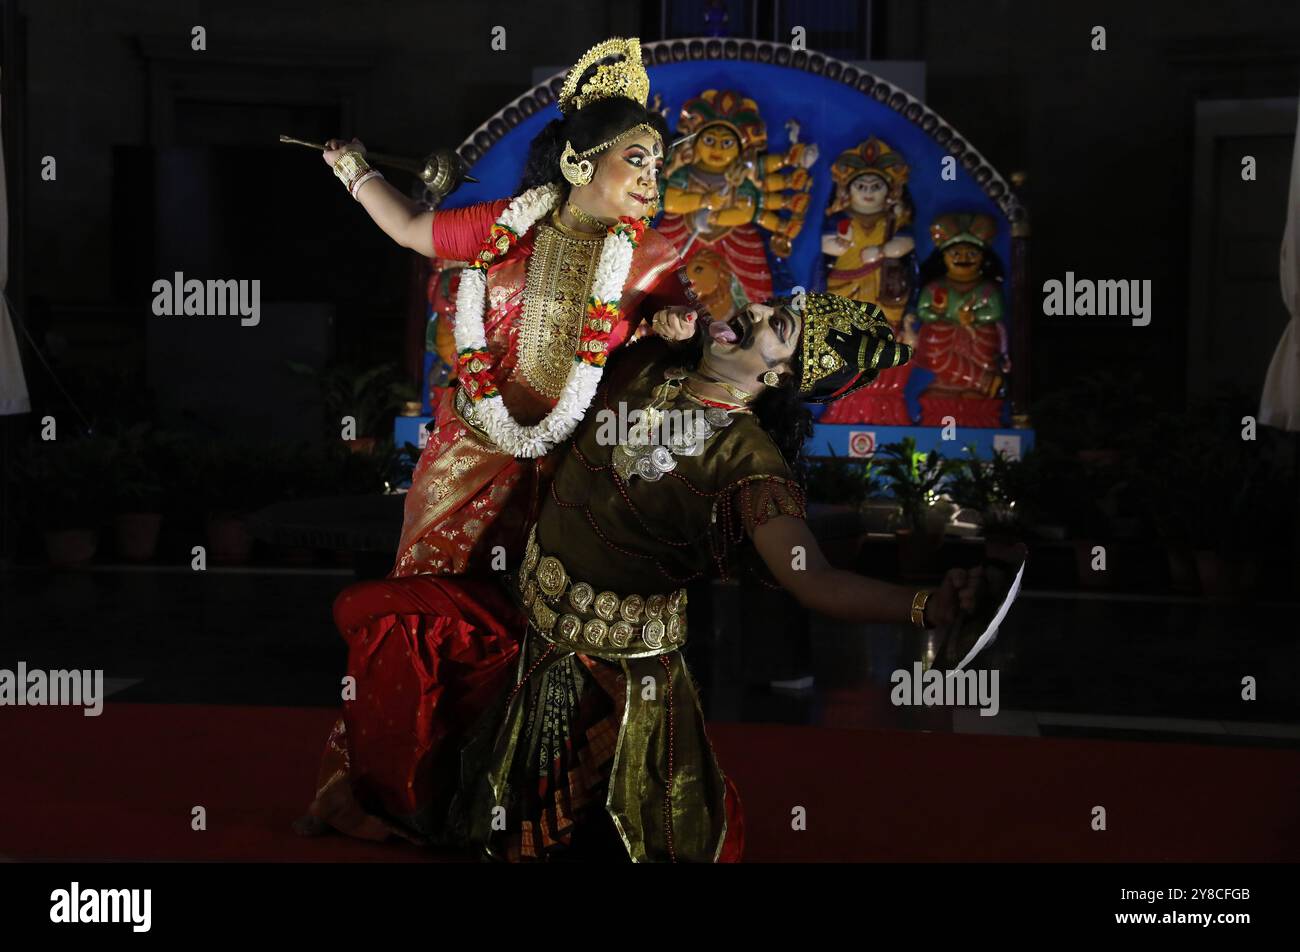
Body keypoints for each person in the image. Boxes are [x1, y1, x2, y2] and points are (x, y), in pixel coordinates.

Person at [297, 291, 987, 860]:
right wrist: (657, 307)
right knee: (393, 633)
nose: (756, 312)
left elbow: (814, 581)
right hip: (525, 616)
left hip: (617, 669)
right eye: (773, 304)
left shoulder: (747, 466)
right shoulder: (655, 355)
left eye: (779, 326)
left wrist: (923, 606)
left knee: (577, 838)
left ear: (780, 374)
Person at [320, 36, 696, 578]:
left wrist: (675, 329)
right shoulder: (509, 223)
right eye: (636, 160)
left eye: (657, 167)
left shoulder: (653, 257)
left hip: (576, 461)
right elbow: (409, 229)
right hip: (472, 439)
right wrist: (353, 170)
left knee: (544, 598)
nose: (650, 178)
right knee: (435, 577)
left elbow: (694, 343)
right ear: (578, 163)